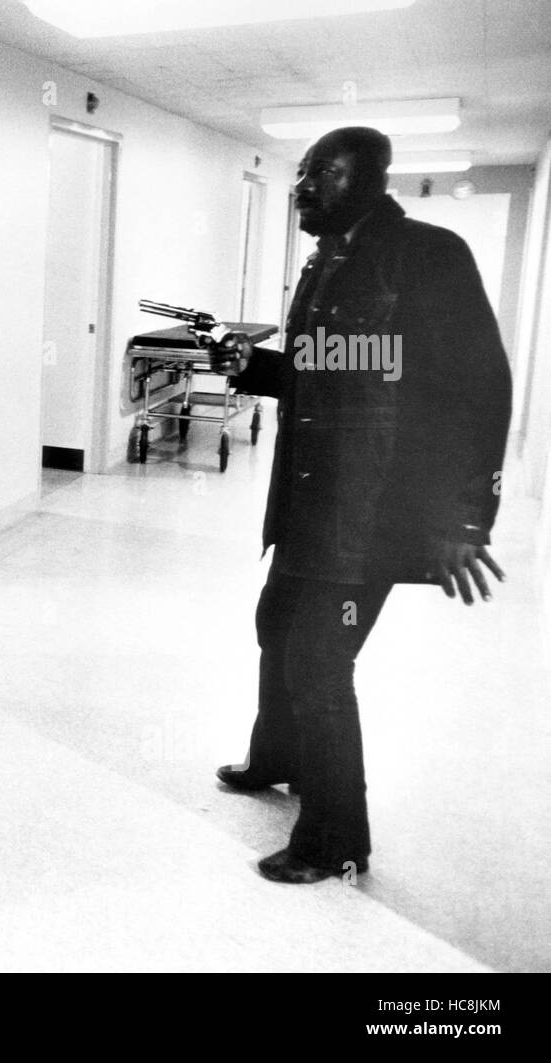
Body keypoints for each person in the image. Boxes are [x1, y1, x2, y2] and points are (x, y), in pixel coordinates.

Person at [209, 126, 512, 884]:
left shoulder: (426, 256)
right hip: (311, 500)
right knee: (274, 624)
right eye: (303, 172)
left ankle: (336, 836)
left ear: (372, 180)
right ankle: (278, 757)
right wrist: (257, 367)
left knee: (318, 657)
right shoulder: (326, 262)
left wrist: (464, 519)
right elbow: (329, 370)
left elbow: (478, 389)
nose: (304, 185)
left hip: (374, 509)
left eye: (324, 173)